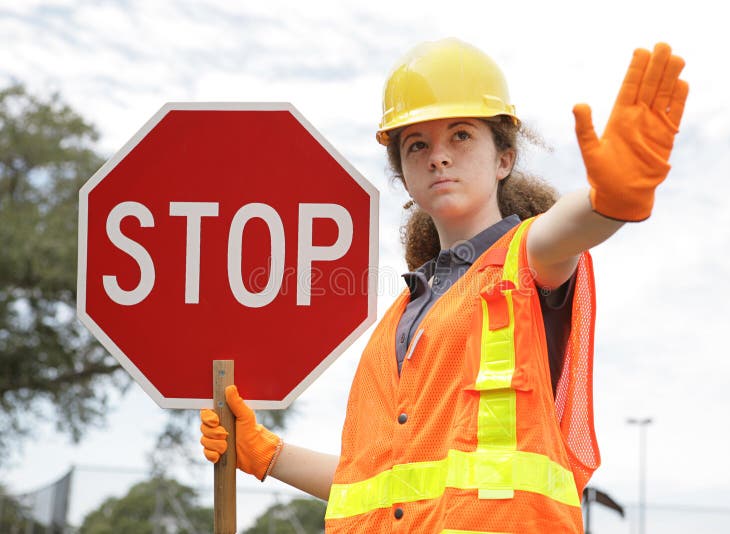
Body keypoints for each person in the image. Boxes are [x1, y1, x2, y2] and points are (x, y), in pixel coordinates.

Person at [200, 38, 688, 533]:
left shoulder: (528, 257)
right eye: (418, 145)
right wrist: (267, 454)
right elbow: (375, 484)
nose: (439, 157)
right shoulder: (399, 318)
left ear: (504, 159)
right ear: (404, 175)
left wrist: (614, 199)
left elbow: (574, 226)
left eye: (460, 136)